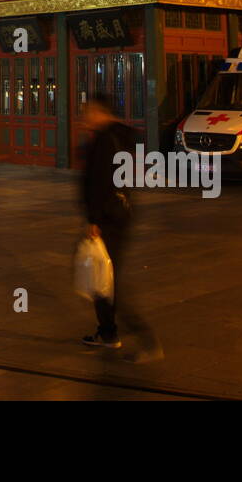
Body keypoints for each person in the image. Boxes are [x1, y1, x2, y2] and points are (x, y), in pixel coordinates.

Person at [79, 94, 162, 362]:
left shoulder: (105, 140)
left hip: (107, 220)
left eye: (89, 112)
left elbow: (99, 182)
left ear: (100, 112)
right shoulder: (119, 137)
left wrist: (93, 220)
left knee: (107, 282)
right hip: (119, 214)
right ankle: (107, 332)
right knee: (102, 277)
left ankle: (147, 341)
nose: (85, 117)